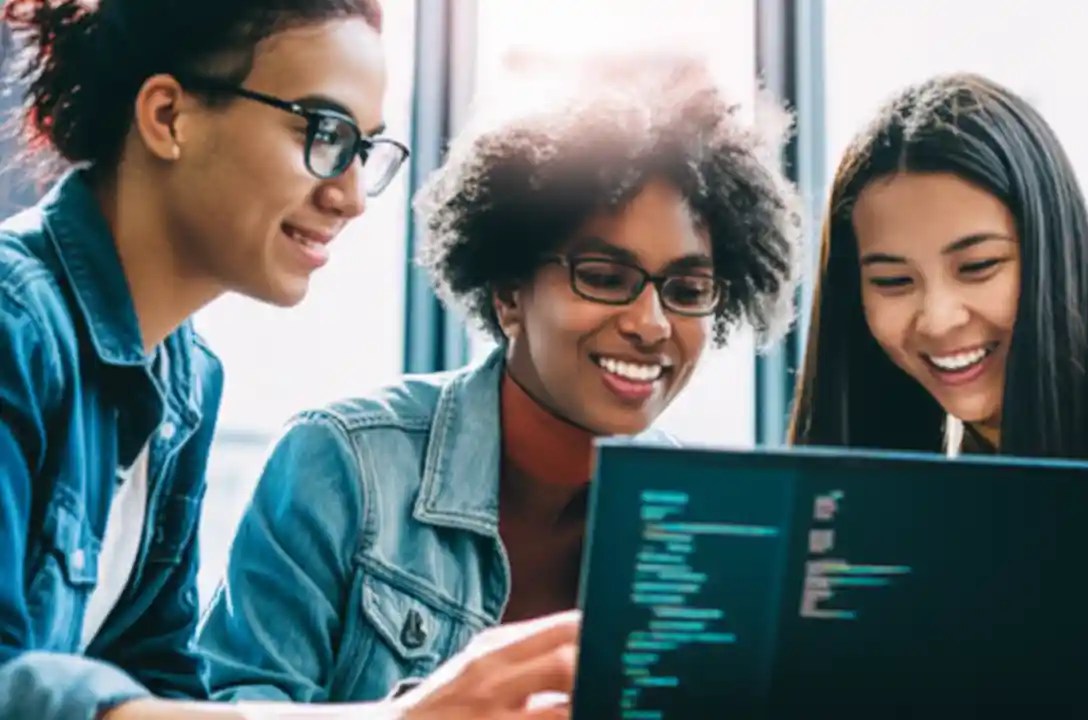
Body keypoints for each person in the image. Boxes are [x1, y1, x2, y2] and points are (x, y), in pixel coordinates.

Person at [0, 1, 587, 719]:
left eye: (364, 150)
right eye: (324, 132)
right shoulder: (15, 328)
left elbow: (158, 678)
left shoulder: (184, 377)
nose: (349, 197)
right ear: (167, 118)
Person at [195, 55, 804, 709]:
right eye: (602, 277)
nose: (652, 324)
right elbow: (230, 704)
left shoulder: (711, 524)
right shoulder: (345, 463)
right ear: (509, 294)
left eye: (686, 289)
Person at [789, 71, 1088, 718]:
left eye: (979, 267)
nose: (937, 319)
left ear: (1049, 248)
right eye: (892, 281)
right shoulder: (933, 484)